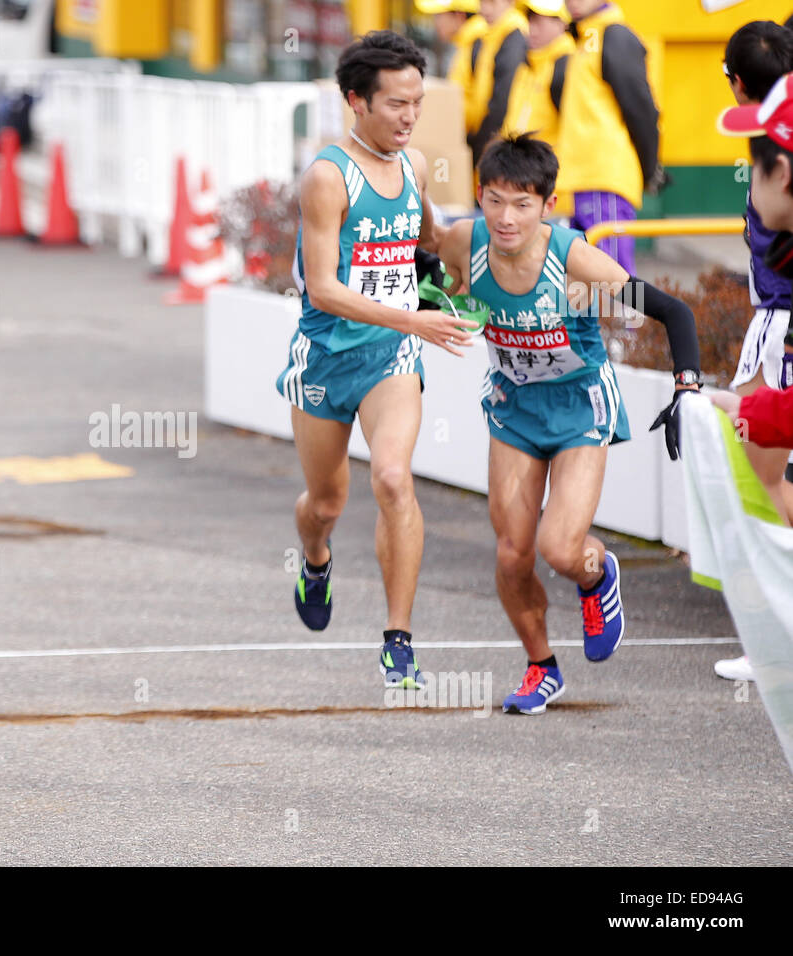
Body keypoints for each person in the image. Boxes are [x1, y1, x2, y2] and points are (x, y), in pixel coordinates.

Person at [437, 134, 701, 714]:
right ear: (479, 196)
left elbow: (672, 311)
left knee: (560, 548)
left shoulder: (574, 257)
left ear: (548, 206)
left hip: (581, 409)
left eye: (523, 204)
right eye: (496, 201)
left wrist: (687, 387)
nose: (507, 218)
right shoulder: (463, 240)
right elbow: (432, 284)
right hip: (513, 409)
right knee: (511, 553)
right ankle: (540, 667)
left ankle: (596, 573)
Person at [276, 31, 471, 689]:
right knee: (326, 502)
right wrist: (414, 314)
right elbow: (325, 289)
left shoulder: (412, 167)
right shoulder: (327, 178)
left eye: (417, 102)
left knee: (392, 478)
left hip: (392, 356)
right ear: (355, 101)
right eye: (395, 104)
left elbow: (427, 238)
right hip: (328, 358)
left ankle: (399, 640)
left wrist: (478, 260)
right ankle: (315, 558)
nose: (409, 116)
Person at [709, 20, 793, 683]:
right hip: (771, 326)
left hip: (780, 328)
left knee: (765, 474)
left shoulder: (776, 150)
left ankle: (775, 631)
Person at [553, 0, 661, 275]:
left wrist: (650, 167)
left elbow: (642, 109)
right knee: (585, 280)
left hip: (604, 178)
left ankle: (630, 321)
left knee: (614, 275)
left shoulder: (614, 35)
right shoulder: (584, 37)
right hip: (581, 178)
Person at [501, 0, 574, 151]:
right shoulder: (528, 64)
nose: (532, 30)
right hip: (518, 167)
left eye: (540, 23)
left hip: (547, 170)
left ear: (561, 24)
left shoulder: (566, 67)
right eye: (530, 21)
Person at [464, 0, 528, 169]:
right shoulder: (489, 34)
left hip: (498, 142)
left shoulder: (514, 37)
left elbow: (502, 98)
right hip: (486, 136)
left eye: (492, 2)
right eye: (481, 2)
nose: (484, 8)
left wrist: (482, 141)